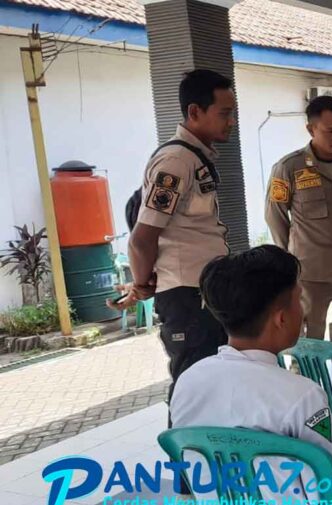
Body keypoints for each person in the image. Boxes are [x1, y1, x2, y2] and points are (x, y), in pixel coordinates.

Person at [170, 245, 332, 505]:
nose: (303, 308)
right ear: (281, 318)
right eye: (299, 299)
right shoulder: (302, 396)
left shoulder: (188, 383)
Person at [112, 69, 232, 429]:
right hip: (185, 295)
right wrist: (142, 283)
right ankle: (188, 474)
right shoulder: (176, 163)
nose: (231, 121)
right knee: (193, 383)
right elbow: (143, 237)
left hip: (202, 291)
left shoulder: (196, 158)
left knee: (211, 381)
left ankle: (210, 466)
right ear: (195, 112)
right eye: (224, 113)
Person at [266, 95, 332, 340]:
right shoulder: (289, 167)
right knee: (309, 340)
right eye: (330, 131)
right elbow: (274, 216)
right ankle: (306, 380)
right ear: (311, 129)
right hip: (311, 273)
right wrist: (290, 263)